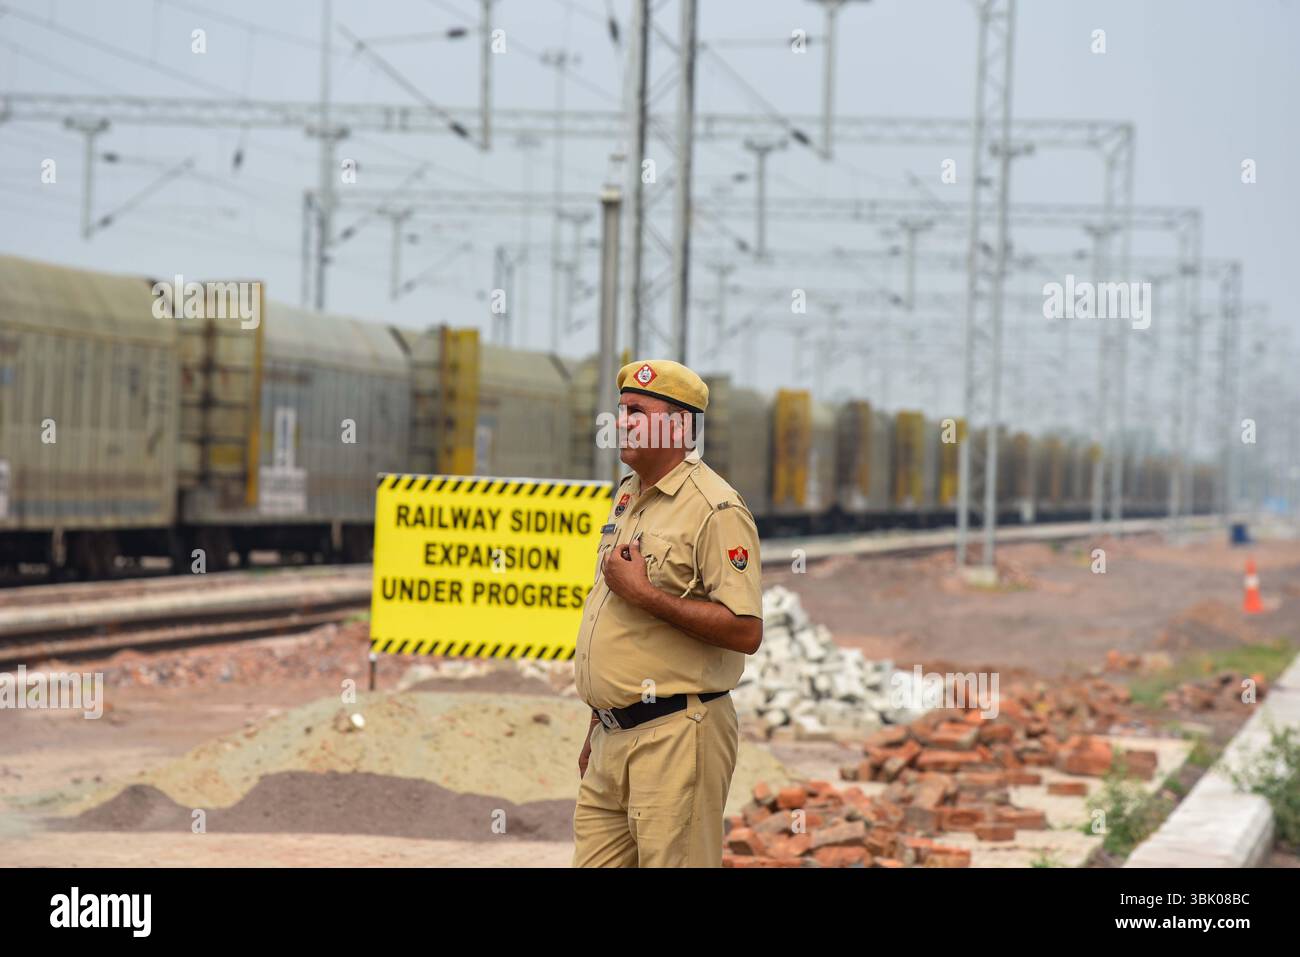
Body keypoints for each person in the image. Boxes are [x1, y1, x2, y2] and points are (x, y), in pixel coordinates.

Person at [572, 358, 763, 867]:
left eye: (636, 412)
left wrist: (648, 596)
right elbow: (618, 621)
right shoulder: (630, 496)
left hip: (677, 736)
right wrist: (599, 722)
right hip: (613, 739)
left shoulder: (715, 509)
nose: (621, 422)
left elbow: (745, 631)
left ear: (677, 426)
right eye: (620, 411)